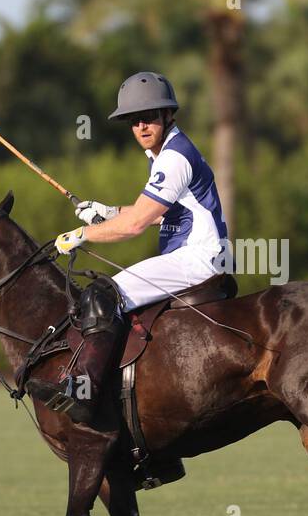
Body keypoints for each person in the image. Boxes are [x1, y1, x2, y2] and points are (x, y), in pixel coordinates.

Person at [25, 71, 228, 424]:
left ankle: (83, 390)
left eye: (149, 117)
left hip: (198, 258)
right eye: (134, 121)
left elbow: (135, 225)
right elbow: (149, 214)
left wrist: (81, 234)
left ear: (168, 115)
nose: (142, 127)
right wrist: (106, 211)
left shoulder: (174, 157)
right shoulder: (166, 152)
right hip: (193, 255)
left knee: (105, 293)